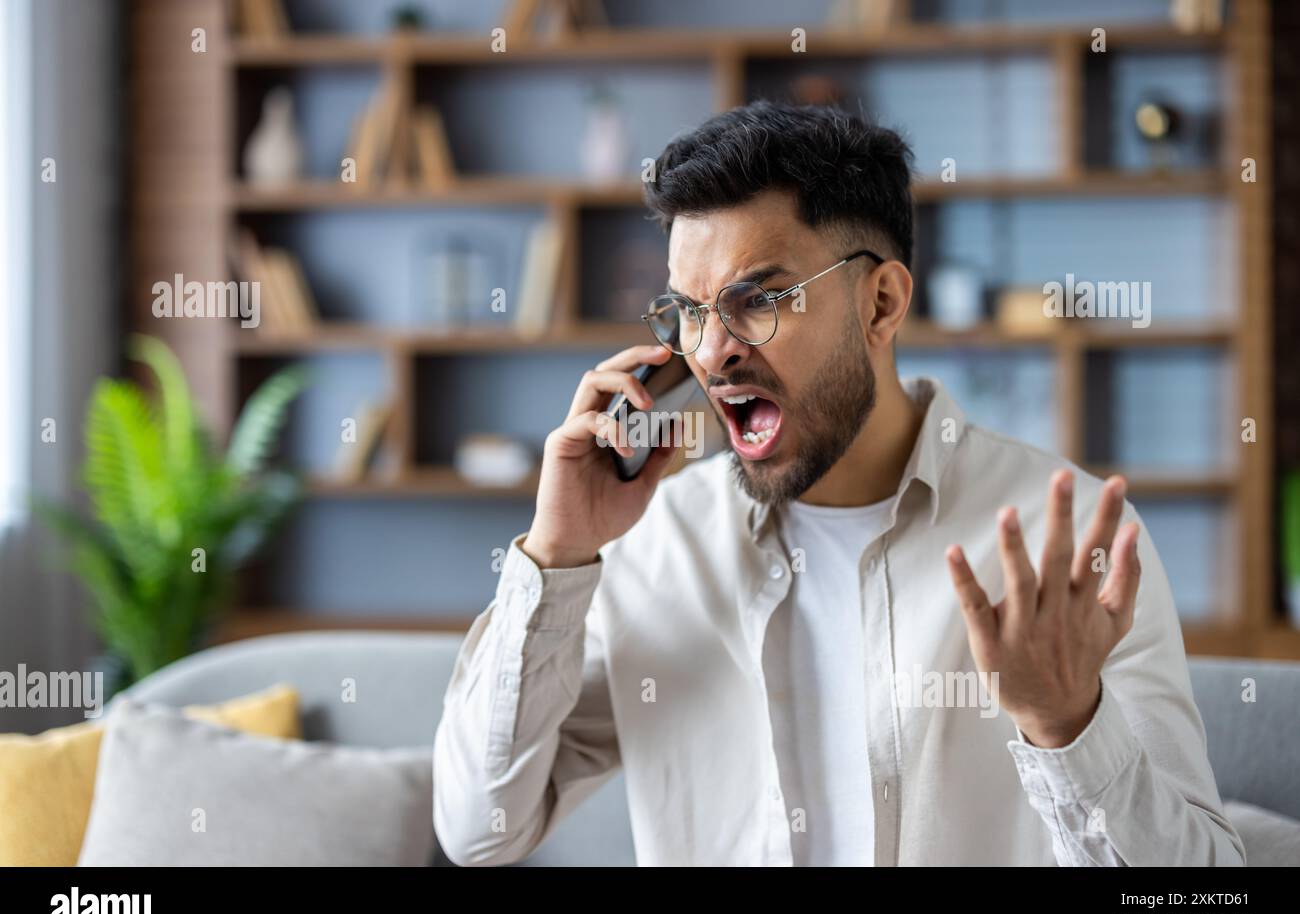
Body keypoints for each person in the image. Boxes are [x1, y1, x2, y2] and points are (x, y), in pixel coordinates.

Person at [433, 101, 1244, 866]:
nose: (709, 352)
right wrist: (557, 554)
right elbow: (477, 831)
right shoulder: (648, 546)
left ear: (881, 304)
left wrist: (1068, 726)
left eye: (757, 300)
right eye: (687, 310)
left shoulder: (1064, 548)